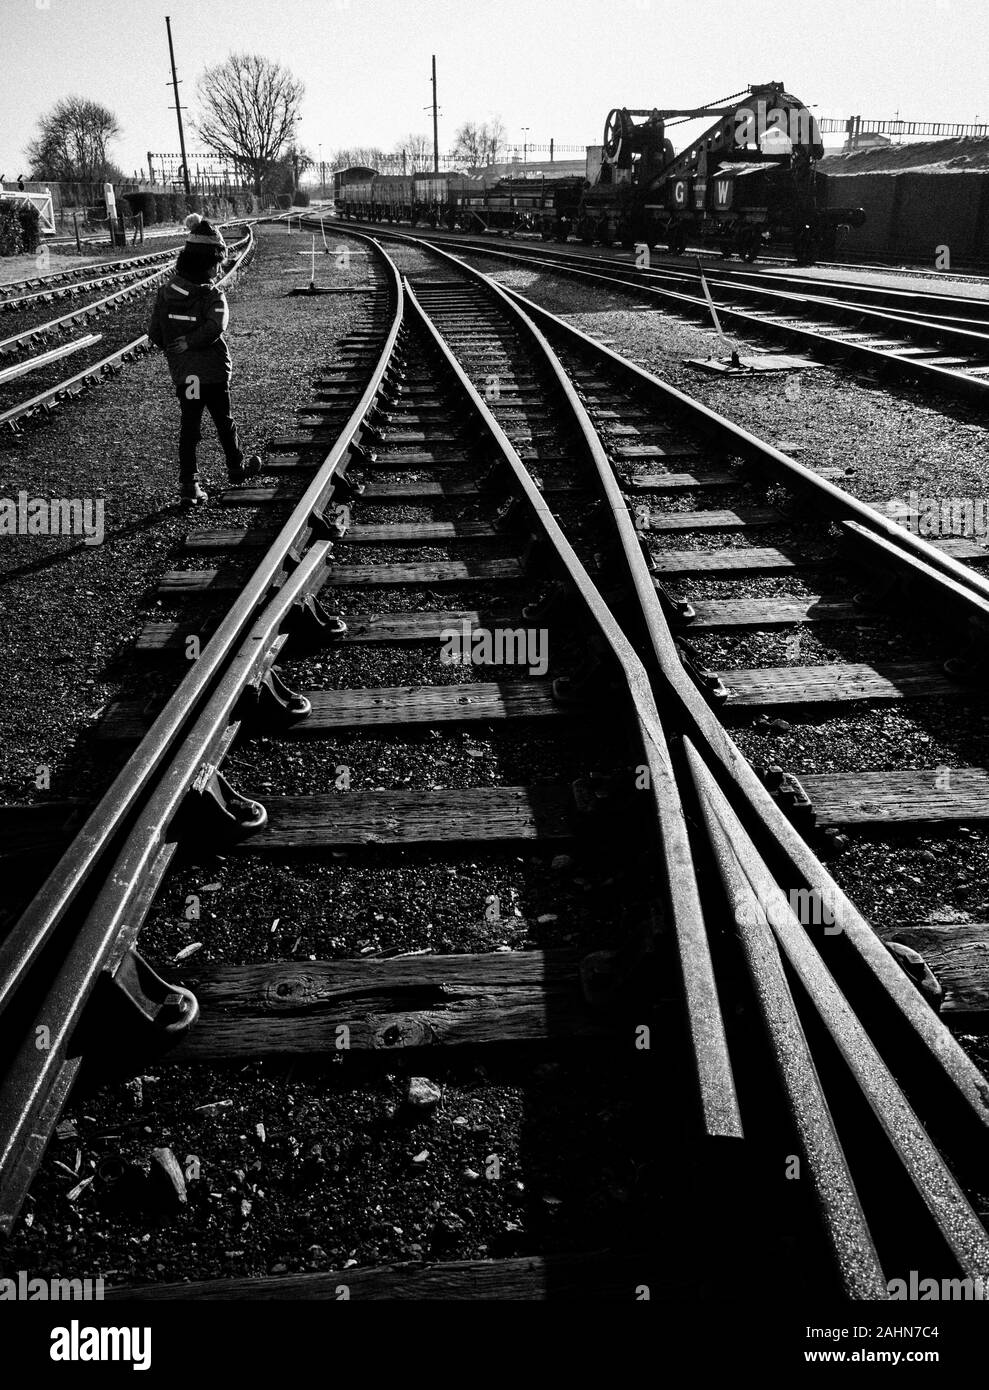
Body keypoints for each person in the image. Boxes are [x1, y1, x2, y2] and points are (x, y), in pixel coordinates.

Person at [147, 213, 260, 506]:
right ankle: (236, 469)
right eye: (217, 264)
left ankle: (189, 485)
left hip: (189, 377)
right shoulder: (213, 295)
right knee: (224, 420)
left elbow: (154, 331)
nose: (217, 270)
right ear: (209, 263)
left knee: (190, 427)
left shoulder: (165, 293)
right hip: (211, 375)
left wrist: (176, 349)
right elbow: (216, 327)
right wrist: (193, 342)